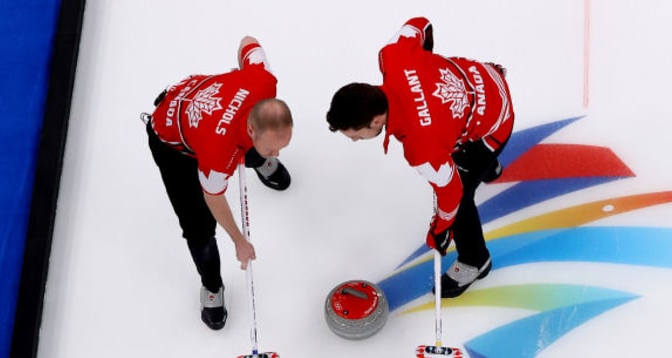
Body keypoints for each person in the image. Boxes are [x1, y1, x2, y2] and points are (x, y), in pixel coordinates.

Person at [325, 17, 514, 298]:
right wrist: (426, 70)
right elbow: (420, 25)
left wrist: (440, 229)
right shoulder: (393, 55)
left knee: (462, 192)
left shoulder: (422, 149)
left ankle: (476, 260)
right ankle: (488, 168)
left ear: (376, 121)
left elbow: (451, 193)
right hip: (485, 76)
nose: (354, 140)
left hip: (494, 122)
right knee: (462, 158)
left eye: (355, 134)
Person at [143, 36, 293, 330]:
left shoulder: (263, 80)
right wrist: (239, 241)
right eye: (271, 149)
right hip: (175, 144)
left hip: (210, 108)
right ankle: (212, 286)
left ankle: (257, 159)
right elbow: (214, 198)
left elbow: (248, 42)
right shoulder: (217, 151)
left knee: (248, 151)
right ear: (251, 128)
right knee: (197, 226)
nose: (278, 153)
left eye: (281, 147)